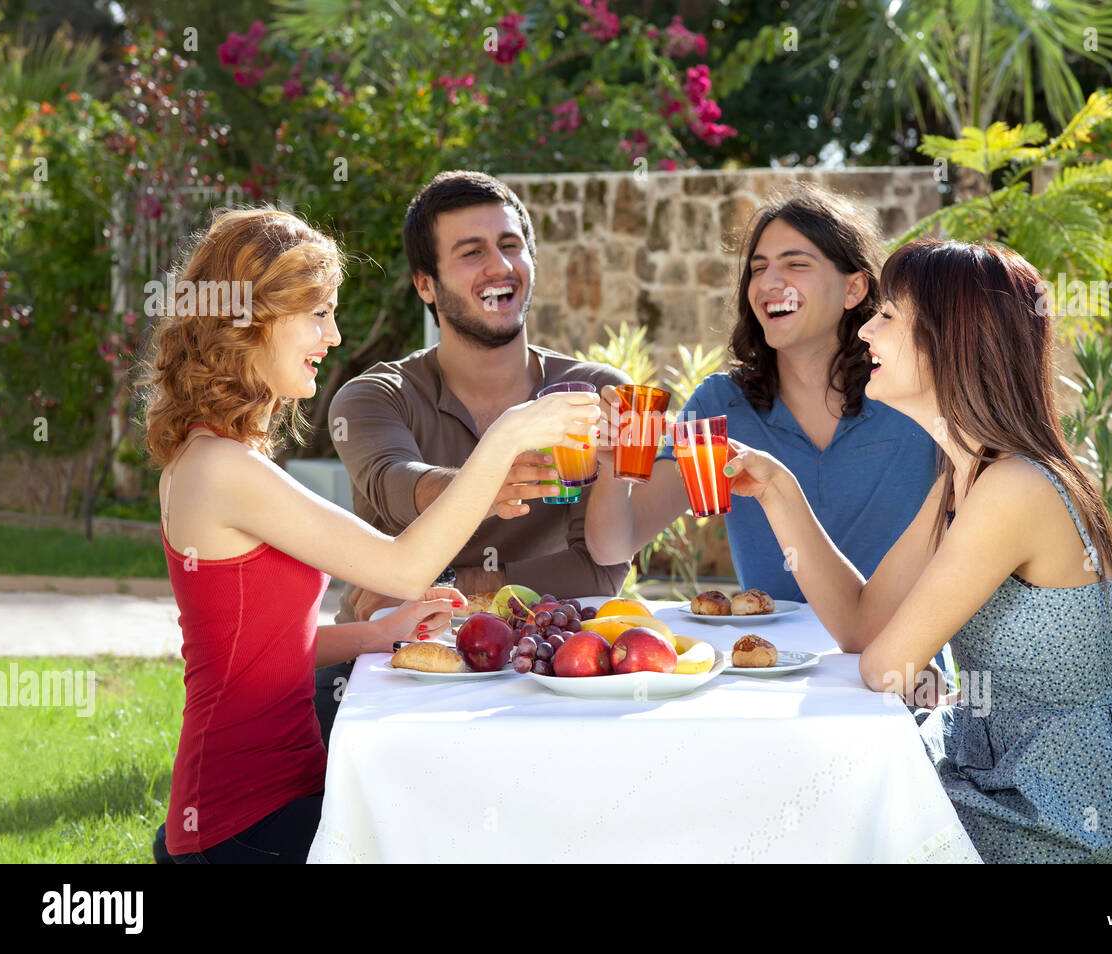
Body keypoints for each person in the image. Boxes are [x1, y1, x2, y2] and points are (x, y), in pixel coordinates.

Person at [139, 207, 599, 863]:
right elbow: (402, 568)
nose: (333, 334)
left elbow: (257, 649)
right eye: (317, 313)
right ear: (250, 322)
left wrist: (378, 634)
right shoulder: (220, 469)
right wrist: (509, 434)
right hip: (242, 826)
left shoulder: (221, 458)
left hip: (267, 802)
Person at [722, 239, 1112, 862]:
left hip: (1052, 812)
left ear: (952, 339)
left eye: (889, 315)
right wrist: (779, 493)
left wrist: (916, 672)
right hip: (992, 775)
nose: (866, 329)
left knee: (806, 816)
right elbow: (864, 628)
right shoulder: (965, 477)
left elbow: (883, 666)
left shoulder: (1015, 487)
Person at [314, 170, 631, 742]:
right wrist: (490, 476)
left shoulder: (597, 391)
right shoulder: (372, 396)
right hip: (393, 663)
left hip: (544, 667)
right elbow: (398, 488)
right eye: (471, 252)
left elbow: (599, 572)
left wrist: (441, 584)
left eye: (510, 246)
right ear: (426, 285)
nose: (499, 266)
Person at [584, 184, 941, 660]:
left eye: (795, 264)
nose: (769, 282)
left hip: (902, 669)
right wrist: (612, 465)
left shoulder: (911, 397)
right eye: (758, 268)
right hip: (771, 670)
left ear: (854, 287)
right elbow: (615, 546)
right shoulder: (721, 404)